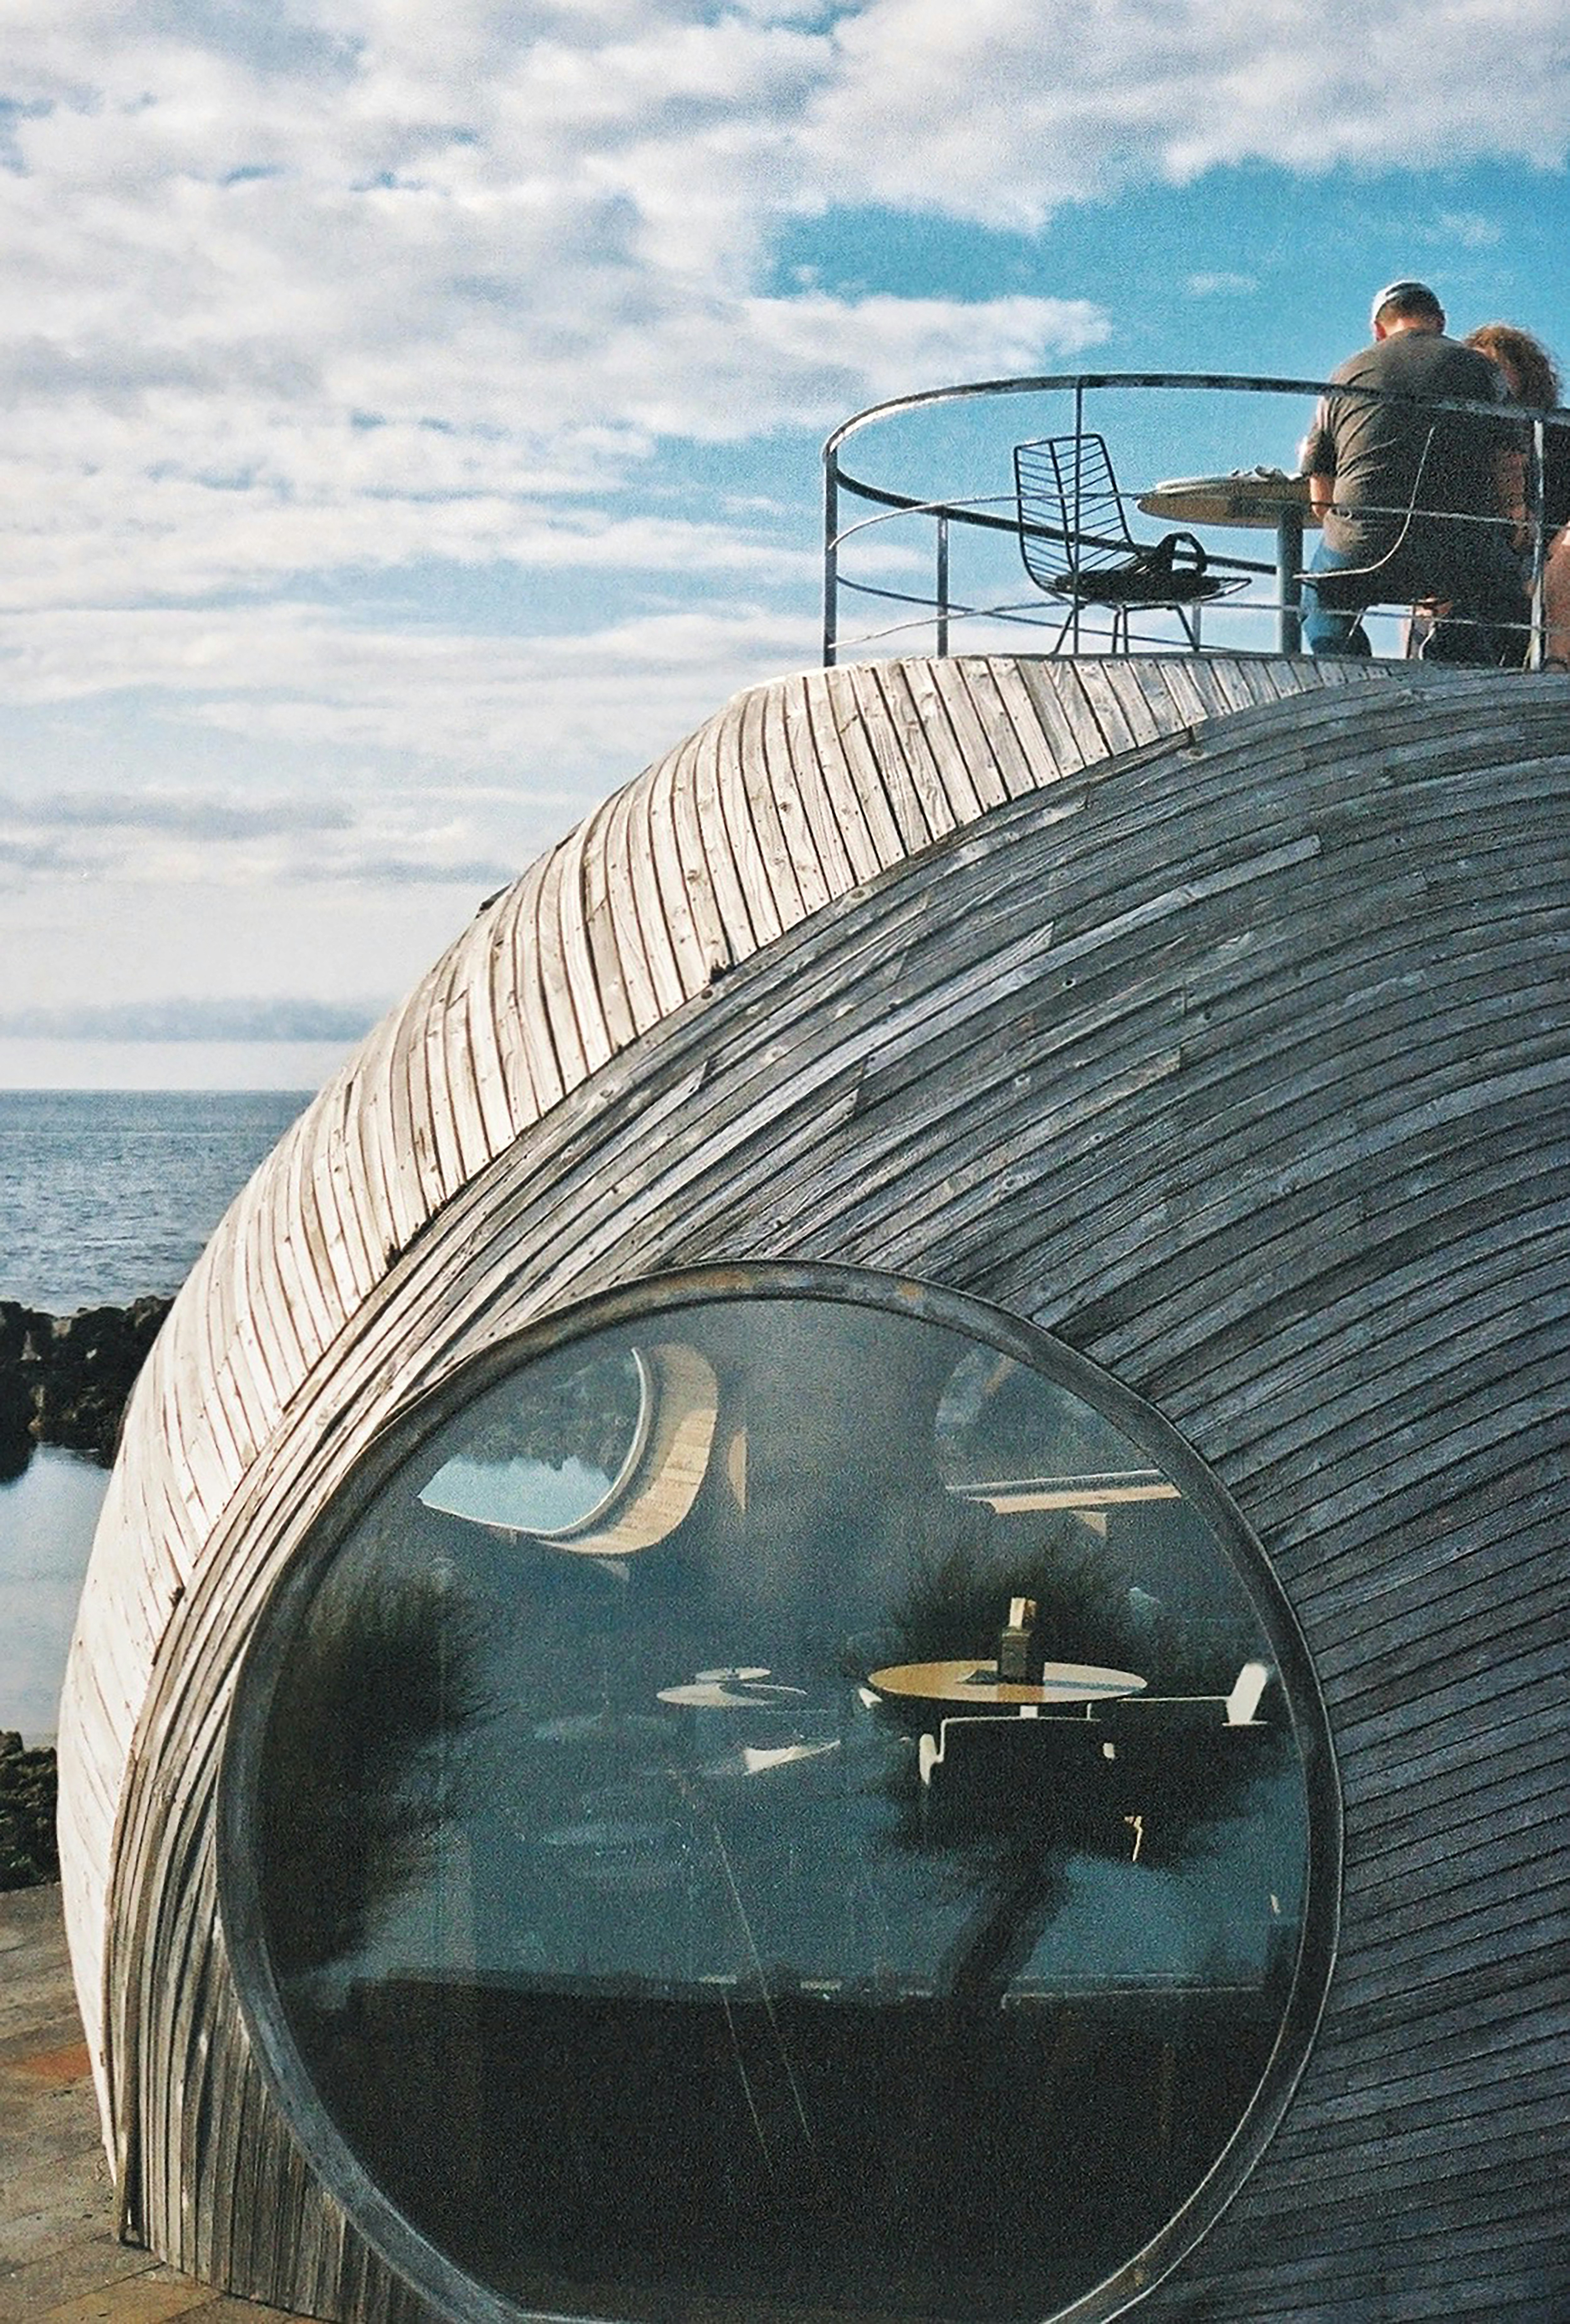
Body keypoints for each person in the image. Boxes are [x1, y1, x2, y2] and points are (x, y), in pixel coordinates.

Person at [1298, 280, 1529, 663]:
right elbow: (1509, 462)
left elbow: (1320, 494)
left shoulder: (1345, 375)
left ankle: (1354, 677)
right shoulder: (1484, 372)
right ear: (1440, 322)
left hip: (1366, 545)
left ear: (1377, 330)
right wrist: (1516, 518)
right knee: (1504, 597)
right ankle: (1461, 667)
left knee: (1321, 598)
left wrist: (1346, 524)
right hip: (1463, 546)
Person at [1463, 323, 1570, 669]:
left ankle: (1558, 661)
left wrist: (1554, 547)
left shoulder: (1560, 432)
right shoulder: (1462, 440)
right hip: (1486, 556)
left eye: (1495, 368)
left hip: (1556, 555)